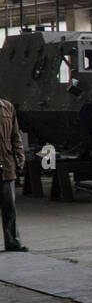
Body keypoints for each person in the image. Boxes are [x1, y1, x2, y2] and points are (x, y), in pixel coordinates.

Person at [0, 97, 26, 252]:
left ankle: (13, 243)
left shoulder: (7, 107)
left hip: (6, 166)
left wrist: (20, 157)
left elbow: (15, 135)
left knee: (9, 207)